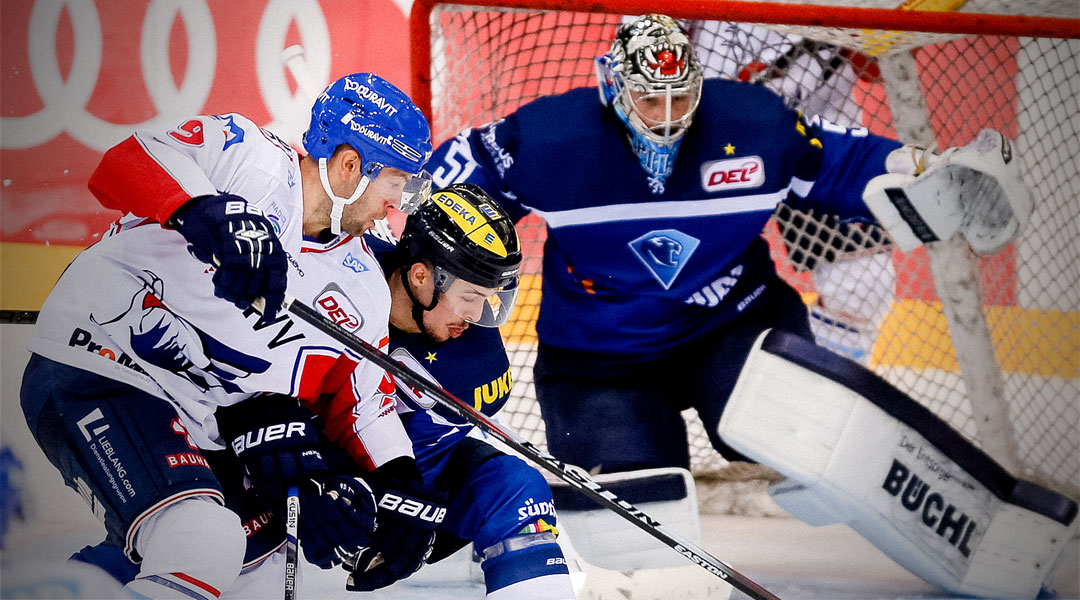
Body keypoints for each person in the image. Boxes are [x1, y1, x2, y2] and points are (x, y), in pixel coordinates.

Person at [424, 14, 1067, 599]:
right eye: (651, 97)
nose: (669, 116)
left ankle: (1000, 547)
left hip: (735, 325)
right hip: (600, 362)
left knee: (809, 421)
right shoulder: (548, 139)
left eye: (683, 96)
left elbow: (845, 164)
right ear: (611, 89)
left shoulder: (751, 122)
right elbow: (437, 194)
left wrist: (928, 174)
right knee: (638, 542)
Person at [19, 72, 437, 599]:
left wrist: (401, 492)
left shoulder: (362, 286)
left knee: (259, 570)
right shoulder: (248, 156)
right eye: (395, 183)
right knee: (201, 537)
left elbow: (362, 404)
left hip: (197, 417)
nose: (396, 205)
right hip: (101, 361)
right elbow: (124, 163)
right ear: (351, 165)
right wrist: (207, 214)